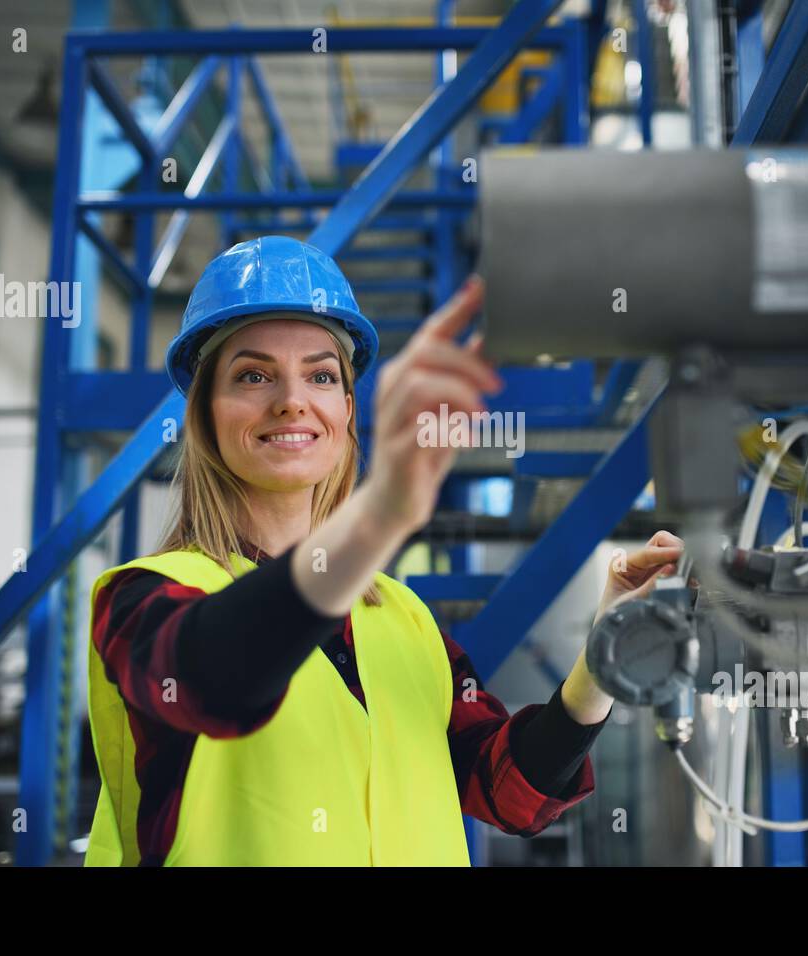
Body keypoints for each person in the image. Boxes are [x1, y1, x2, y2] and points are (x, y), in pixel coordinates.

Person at [83, 235, 684, 866]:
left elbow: (510, 791)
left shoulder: (405, 620)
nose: (292, 399)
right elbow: (217, 678)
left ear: (345, 410)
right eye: (253, 375)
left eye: (320, 374)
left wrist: (604, 653)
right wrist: (380, 515)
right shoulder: (141, 599)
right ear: (204, 412)